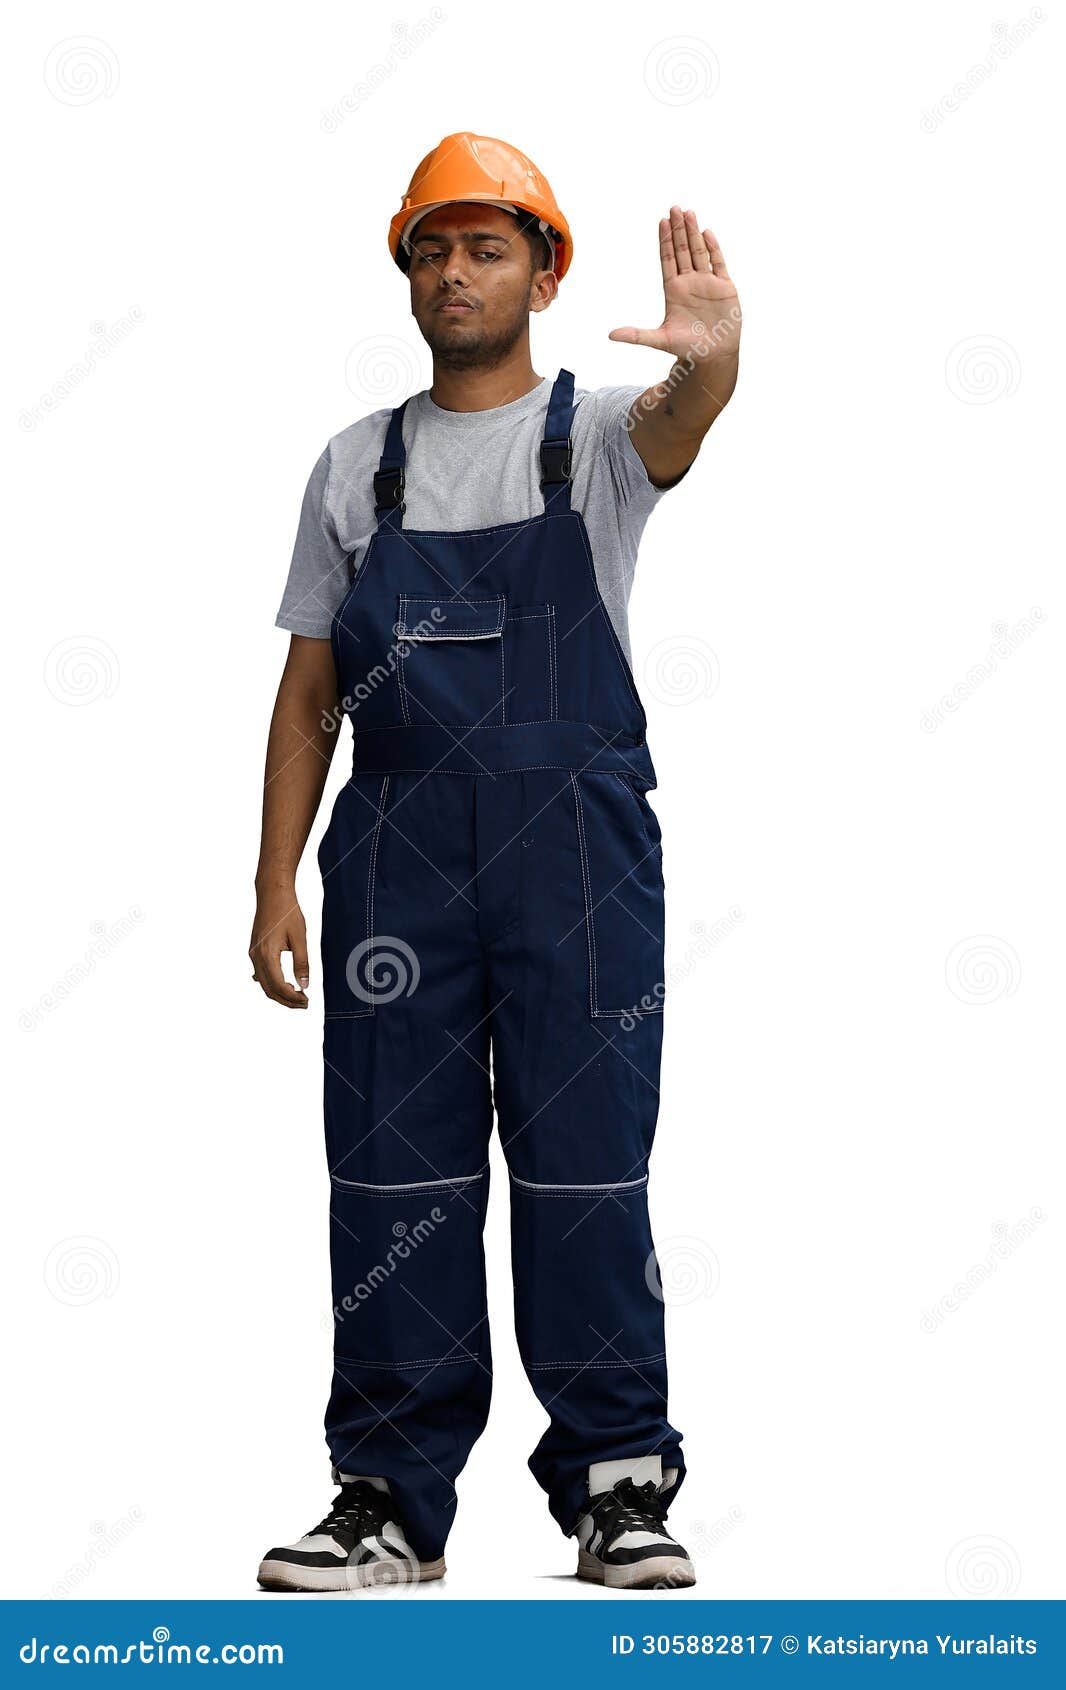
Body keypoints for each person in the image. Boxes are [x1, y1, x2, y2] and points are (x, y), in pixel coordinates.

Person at [250, 131, 740, 1592]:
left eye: (486, 246)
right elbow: (309, 688)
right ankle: (388, 1501)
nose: (455, 271)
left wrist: (715, 360)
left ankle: (616, 1486)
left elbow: (687, 413)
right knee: (391, 1178)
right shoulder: (356, 464)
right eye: (433, 249)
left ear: (543, 271)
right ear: (408, 273)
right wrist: (272, 880)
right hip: (394, 859)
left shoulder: (598, 438)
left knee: (584, 1170)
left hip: (573, 859)